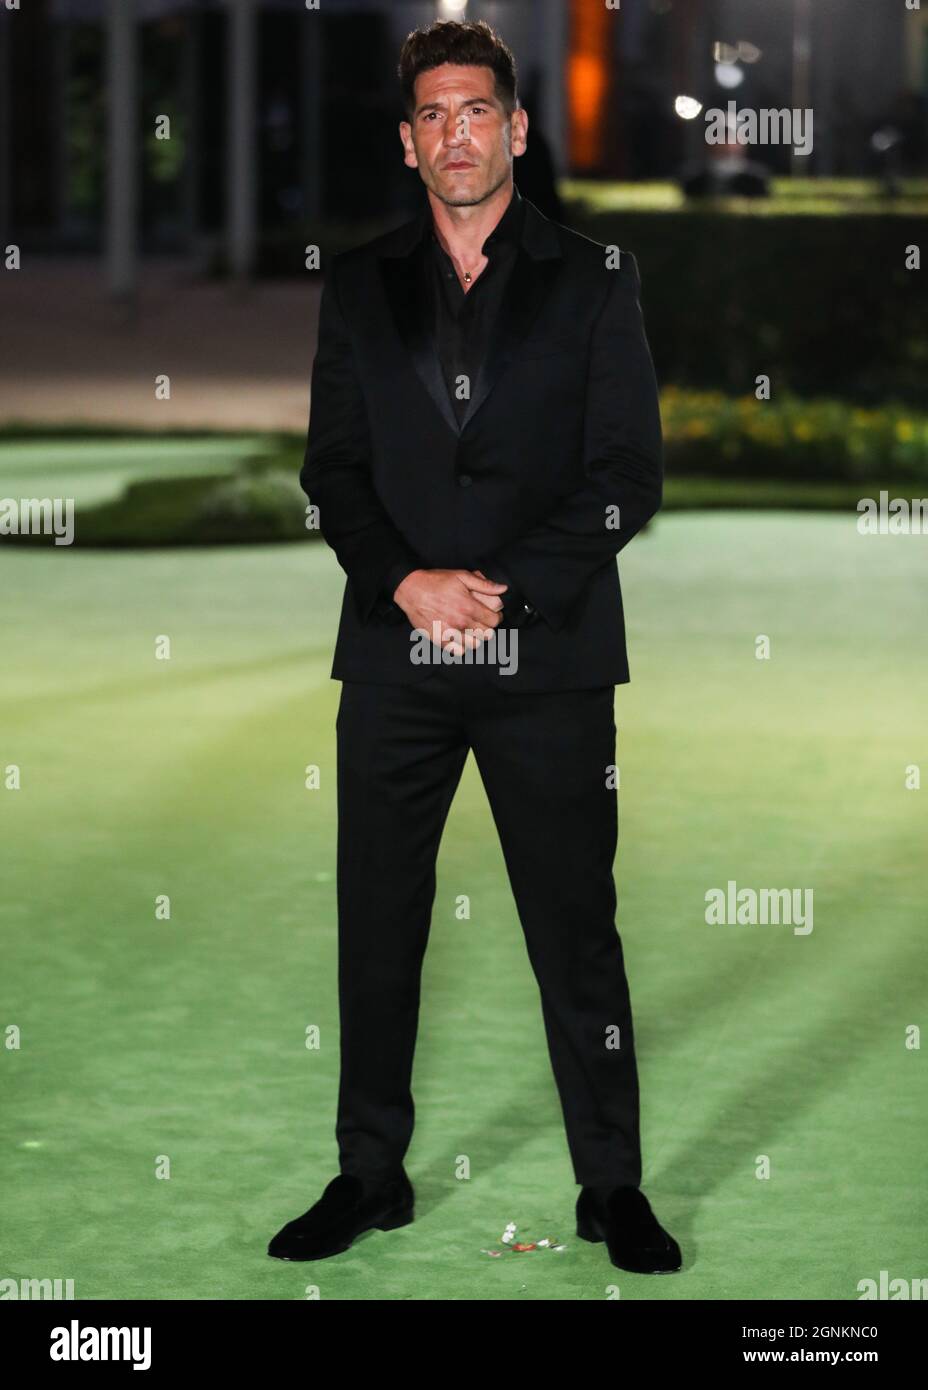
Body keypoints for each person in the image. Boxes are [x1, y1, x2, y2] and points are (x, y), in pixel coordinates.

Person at [269, 18, 680, 1276]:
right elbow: (331, 470)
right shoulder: (357, 283)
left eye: (477, 111)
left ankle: (611, 1184)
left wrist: (497, 591)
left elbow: (627, 478)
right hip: (393, 661)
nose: (456, 133)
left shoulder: (597, 275)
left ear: (515, 127)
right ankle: (369, 1173)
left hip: (542, 660)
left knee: (576, 927)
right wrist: (405, 581)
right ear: (409, 142)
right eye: (432, 116)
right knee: (378, 921)